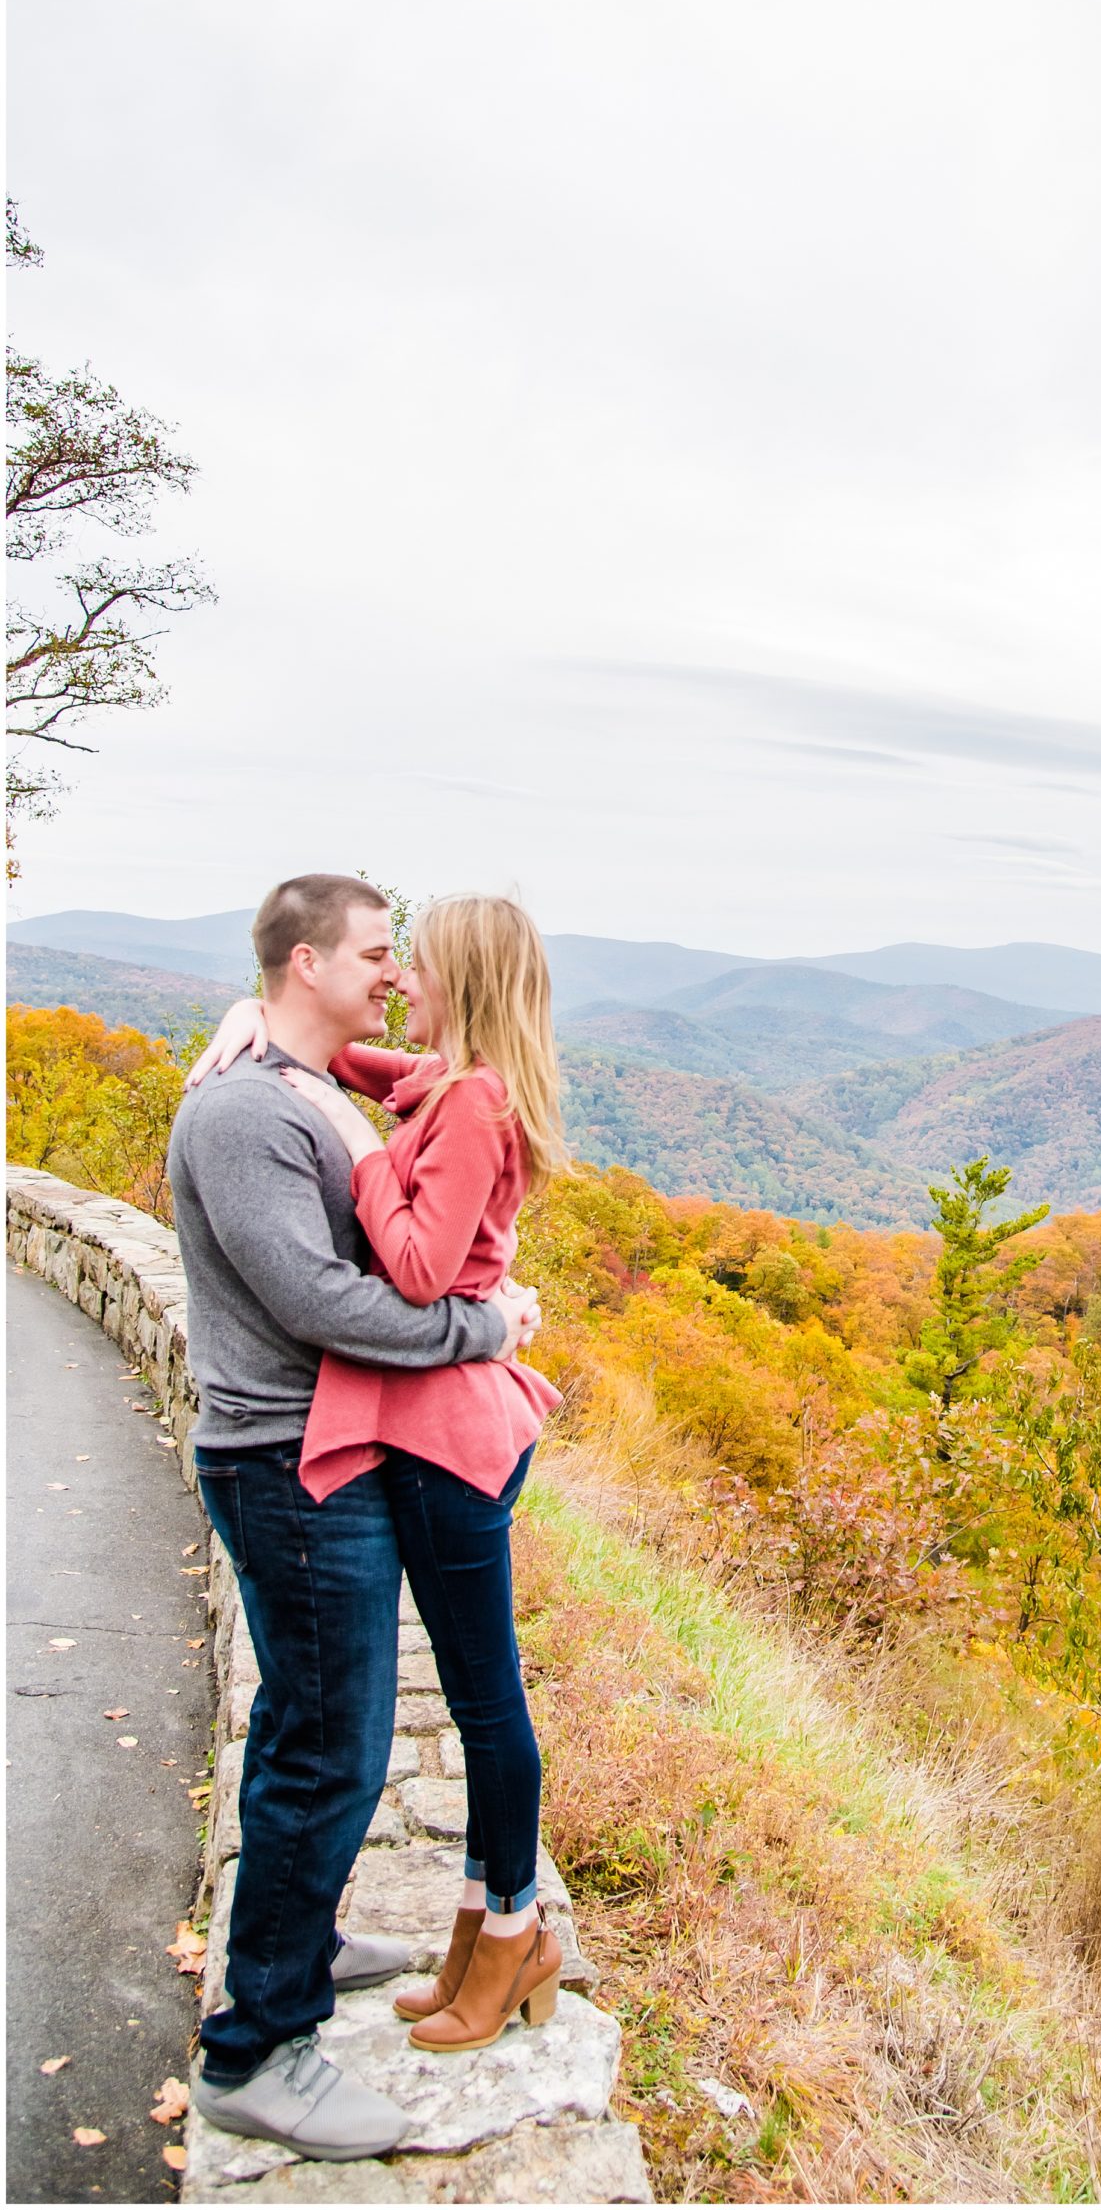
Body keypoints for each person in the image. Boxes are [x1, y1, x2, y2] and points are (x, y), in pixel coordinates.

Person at [169, 874, 540, 2161]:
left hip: (320, 1455)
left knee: (307, 1722)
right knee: (333, 1746)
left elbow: (395, 1090)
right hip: (284, 1463)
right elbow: (322, 1300)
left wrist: (272, 1044)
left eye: (404, 955)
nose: (392, 971)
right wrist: (482, 1328)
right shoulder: (244, 1114)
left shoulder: (297, 1085)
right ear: (306, 962)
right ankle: (258, 2049)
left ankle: (300, 1941)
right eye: (377, 952)